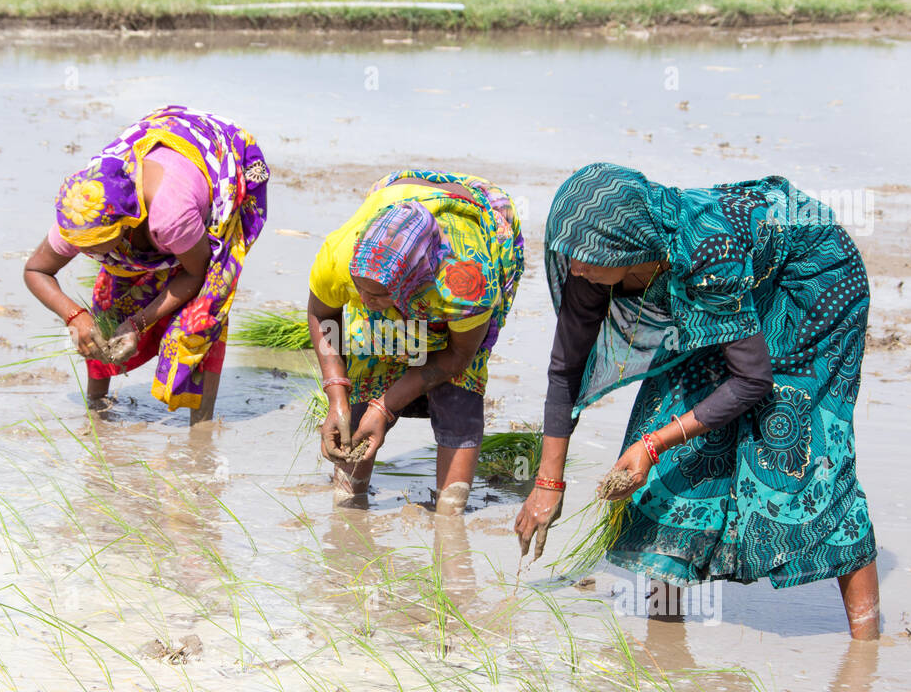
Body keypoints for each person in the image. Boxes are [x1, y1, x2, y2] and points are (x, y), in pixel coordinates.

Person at [514, 163, 880, 639]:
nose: (576, 268)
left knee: (804, 452)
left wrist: (651, 446)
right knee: (672, 441)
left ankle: (866, 647)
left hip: (811, 281)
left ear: (629, 246)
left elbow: (752, 381)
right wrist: (548, 482)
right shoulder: (592, 269)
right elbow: (565, 370)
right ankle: (664, 639)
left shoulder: (708, 251)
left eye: (587, 258)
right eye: (570, 255)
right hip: (727, 288)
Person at [23, 106, 268, 423]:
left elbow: (198, 273)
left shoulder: (171, 216)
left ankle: (201, 425)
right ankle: (97, 408)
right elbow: (36, 270)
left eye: (95, 245)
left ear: (127, 222)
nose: (83, 252)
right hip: (161, 154)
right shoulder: (84, 212)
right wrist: (76, 316)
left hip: (221, 158)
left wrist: (139, 322)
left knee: (202, 312)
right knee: (107, 304)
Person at [306, 171, 523, 514]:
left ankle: (450, 512)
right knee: (369, 365)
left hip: (481, 221)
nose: (362, 297)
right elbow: (321, 313)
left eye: (376, 293)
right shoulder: (342, 254)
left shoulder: (465, 284)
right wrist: (337, 395)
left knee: (457, 394)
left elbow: (460, 355)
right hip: (397, 204)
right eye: (358, 286)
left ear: (412, 282)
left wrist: (387, 406)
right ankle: (349, 500)